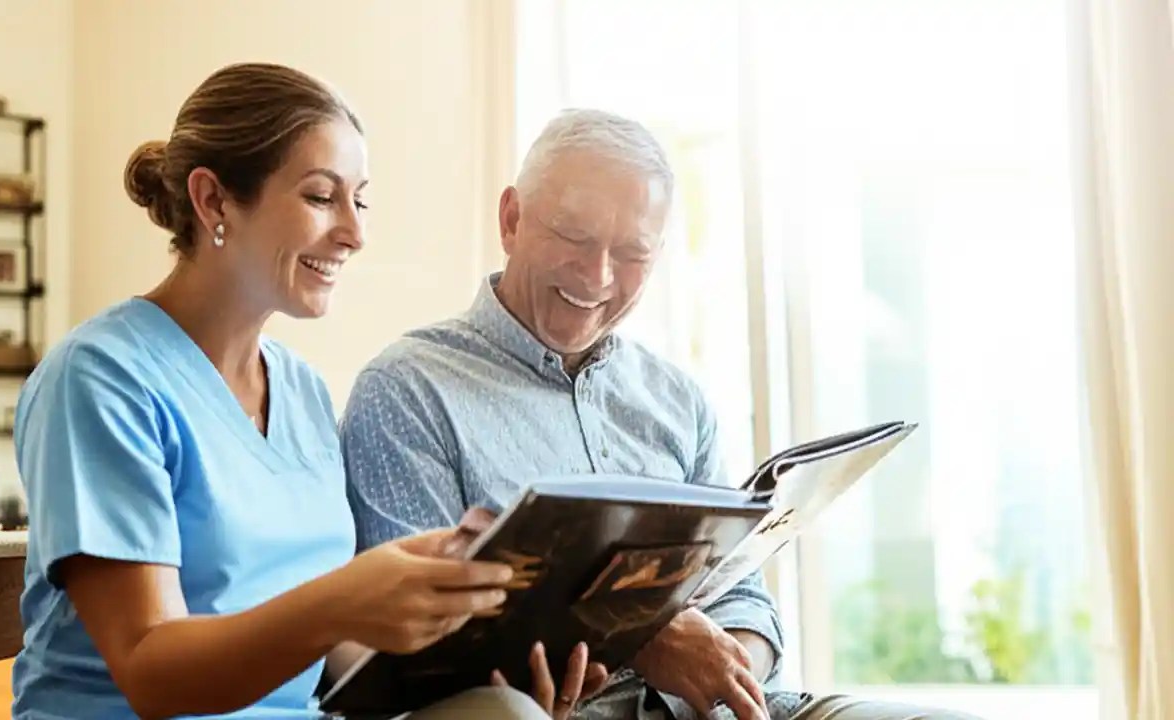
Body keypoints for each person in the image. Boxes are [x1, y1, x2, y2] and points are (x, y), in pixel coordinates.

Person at [339, 109, 984, 720]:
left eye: (632, 254)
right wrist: (638, 636)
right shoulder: (408, 390)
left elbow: (744, 599)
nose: (596, 277)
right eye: (573, 236)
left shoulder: (676, 401)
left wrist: (729, 677)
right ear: (511, 218)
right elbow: (413, 652)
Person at [8, 62, 597, 720]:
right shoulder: (101, 378)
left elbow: (325, 653)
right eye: (321, 197)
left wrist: (490, 665)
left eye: (360, 199)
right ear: (213, 202)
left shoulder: (303, 392)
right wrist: (343, 598)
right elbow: (151, 672)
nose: (354, 231)